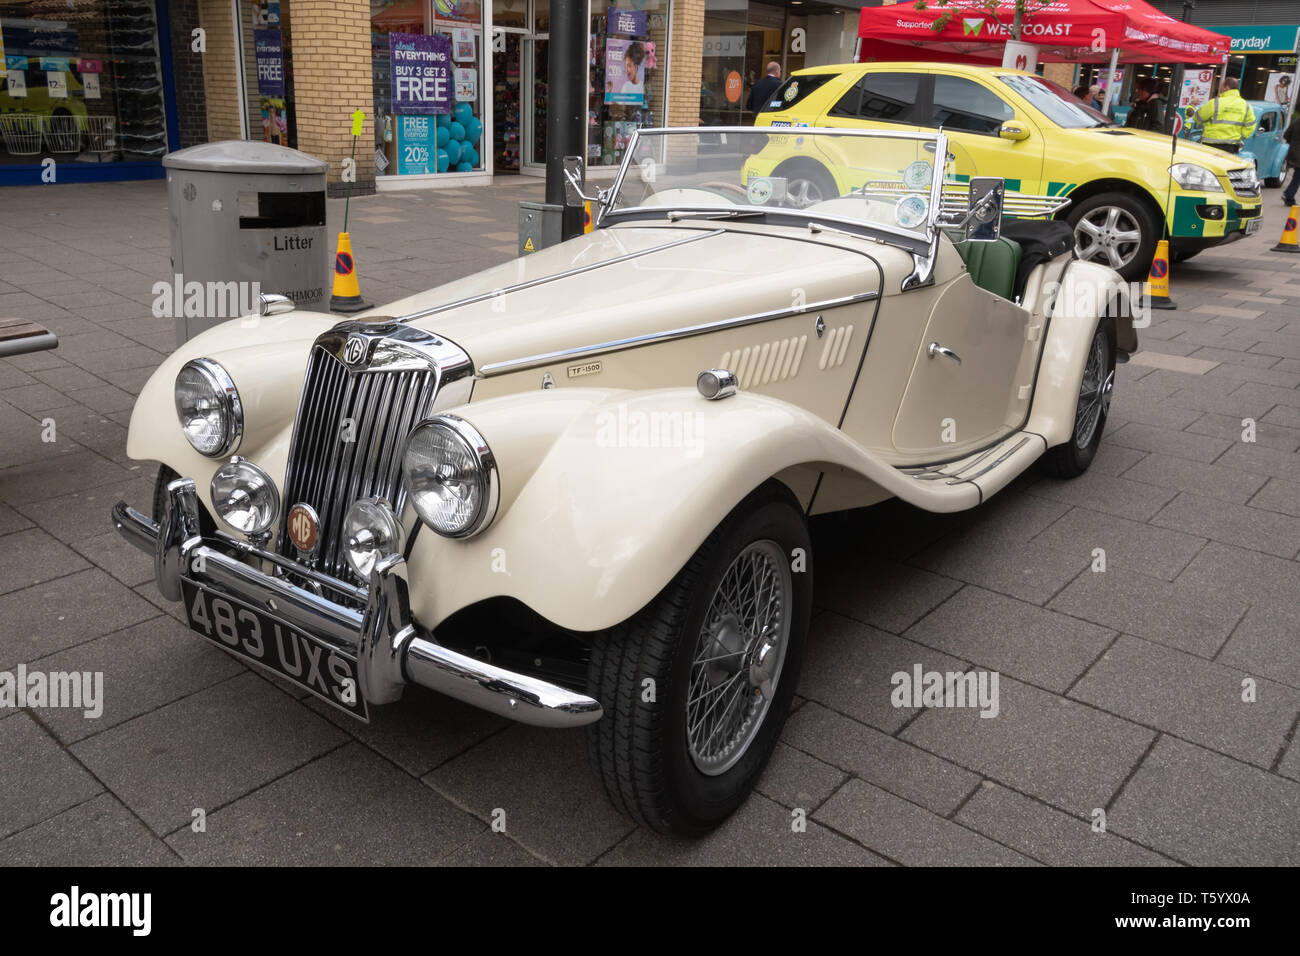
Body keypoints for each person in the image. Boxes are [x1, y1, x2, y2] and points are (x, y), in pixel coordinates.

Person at [1194, 77, 1257, 153]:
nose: (1220, 88)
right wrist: (1239, 137)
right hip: (1231, 146)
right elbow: (1251, 126)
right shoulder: (1246, 105)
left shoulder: (1215, 102)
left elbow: (1197, 117)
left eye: (1221, 85)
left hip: (1210, 144)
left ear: (1226, 87)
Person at [1283, 111, 1300, 206]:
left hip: (1293, 152)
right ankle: (1288, 195)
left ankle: (1288, 195)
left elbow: (1286, 135)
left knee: (1297, 176)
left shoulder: (1297, 121)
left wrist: (1293, 143)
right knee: (1297, 177)